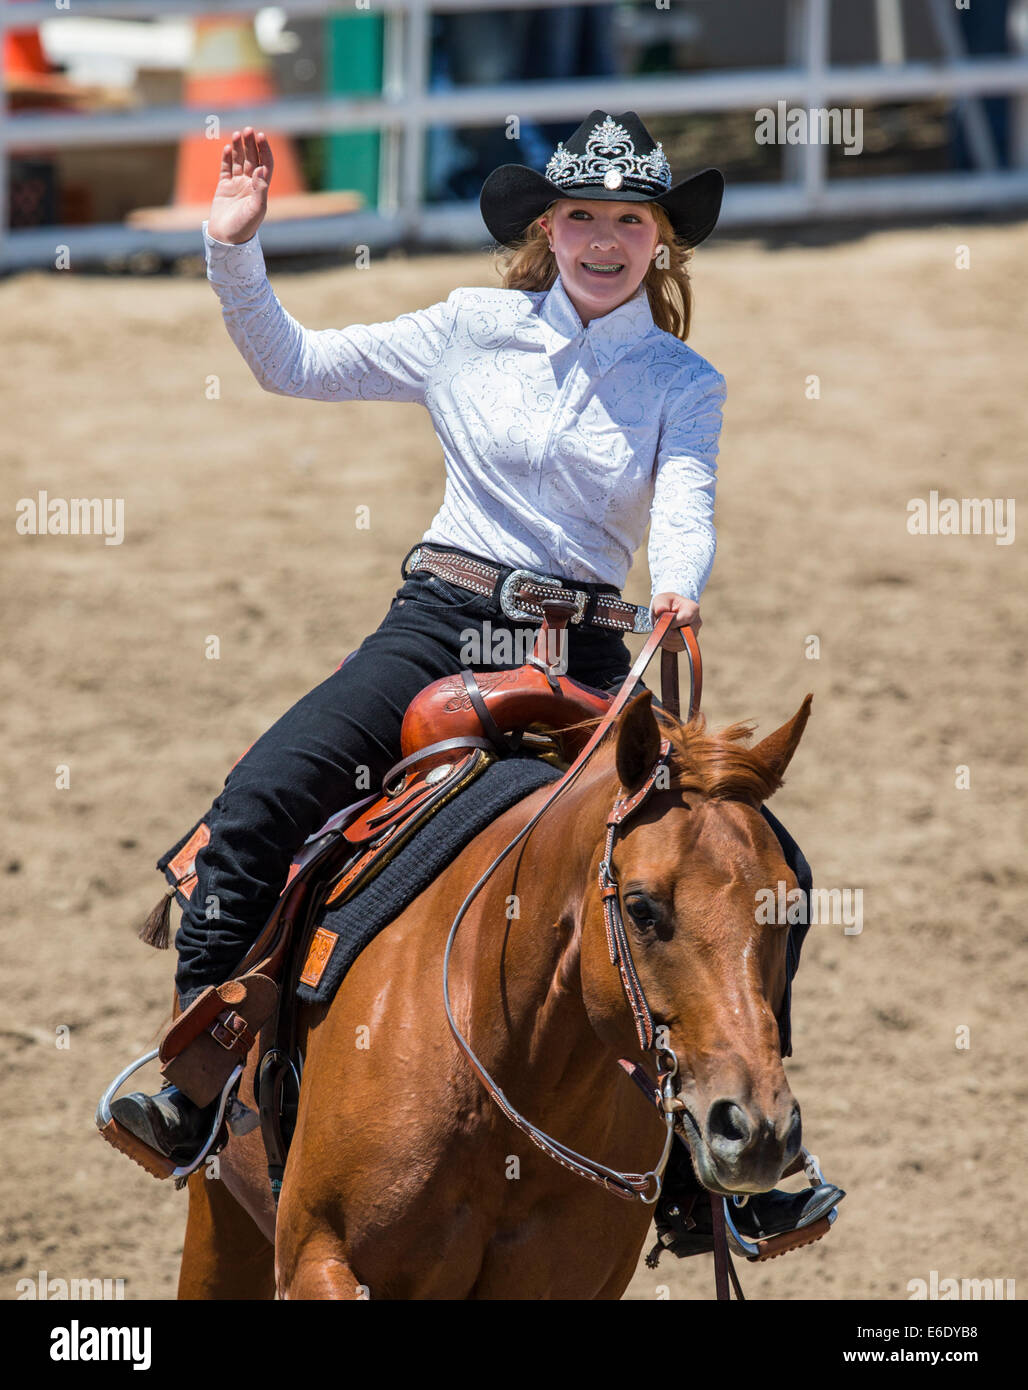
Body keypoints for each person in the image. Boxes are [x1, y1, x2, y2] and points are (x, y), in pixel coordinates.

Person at [110, 109, 842, 1247]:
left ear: (660, 242)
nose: (603, 239)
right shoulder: (467, 327)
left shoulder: (681, 379)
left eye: (627, 221)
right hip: (444, 624)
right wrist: (233, 246)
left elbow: (686, 494)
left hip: (599, 647)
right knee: (259, 800)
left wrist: (678, 582)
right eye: (582, 216)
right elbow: (291, 361)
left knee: (740, 866)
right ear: (547, 227)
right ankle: (194, 1080)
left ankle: (735, 1159)